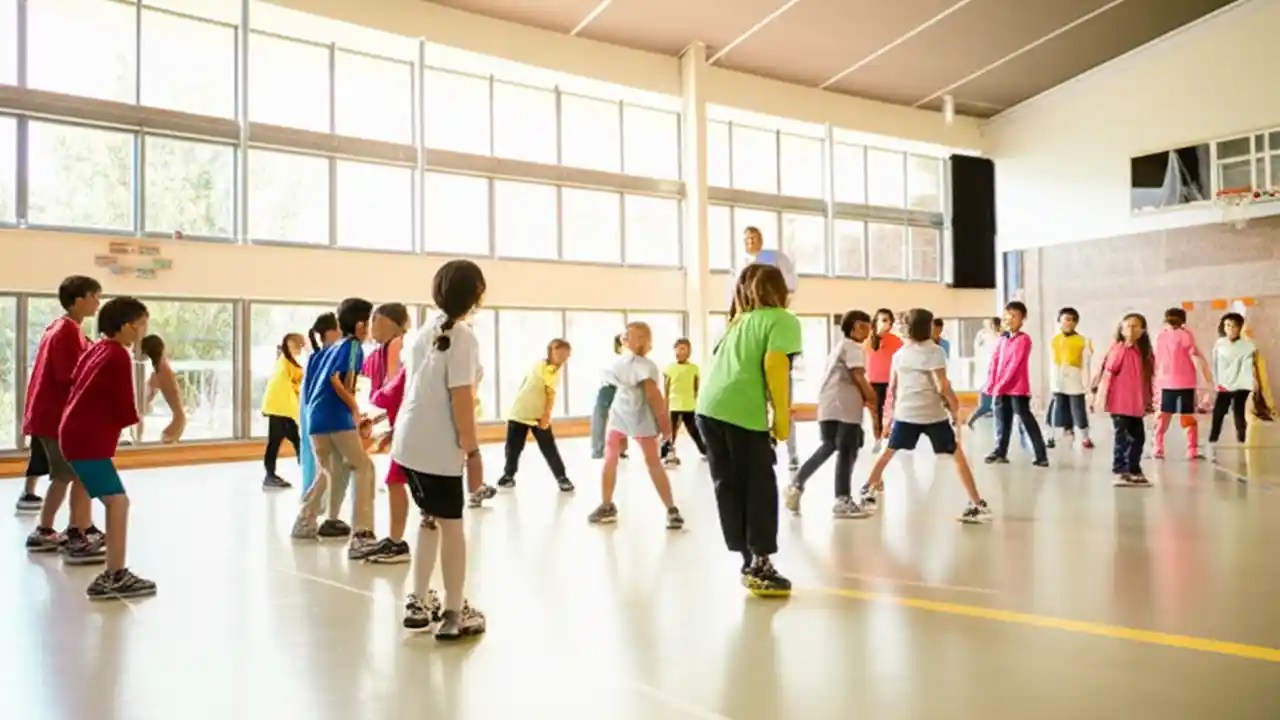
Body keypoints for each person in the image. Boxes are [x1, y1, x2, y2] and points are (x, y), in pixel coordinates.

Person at [393, 260, 488, 640]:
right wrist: (473, 450)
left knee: (428, 518)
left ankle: (418, 600)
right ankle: (453, 611)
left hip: (409, 441)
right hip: (436, 446)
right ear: (476, 295)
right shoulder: (462, 336)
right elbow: (460, 398)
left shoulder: (426, 330)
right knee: (452, 527)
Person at [697, 264, 800, 597]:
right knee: (758, 485)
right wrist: (780, 418)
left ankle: (747, 558)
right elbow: (775, 365)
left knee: (728, 483)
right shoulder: (782, 319)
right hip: (741, 411)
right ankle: (762, 564)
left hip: (708, 409)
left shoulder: (737, 322)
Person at [59, 297, 156, 599]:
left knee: (108, 497)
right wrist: (139, 415)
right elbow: (124, 406)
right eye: (141, 325)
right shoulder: (117, 356)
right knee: (118, 502)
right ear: (126, 326)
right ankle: (115, 575)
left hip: (76, 436)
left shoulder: (98, 348)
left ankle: (102, 558)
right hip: (87, 440)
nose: (143, 332)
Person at [860, 309, 992, 523]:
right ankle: (978, 504)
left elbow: (892, 390)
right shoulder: (936, 351)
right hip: (933, 415)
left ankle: (867, 491)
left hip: (906, 413)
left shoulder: (899, 355)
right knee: (957, 456)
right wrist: (954, 403)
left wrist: (888, 418)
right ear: (927, 328)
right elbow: (942, 384)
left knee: (887, 452)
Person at [23, 275, 104, 564]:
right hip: (56, 417)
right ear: (79, 299)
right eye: (95, 296)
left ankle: (51, 529)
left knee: (65, 474)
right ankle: (75, 532)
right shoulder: (67, 332)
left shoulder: (63, 329)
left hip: (51, 416)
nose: (98, 302)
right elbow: (70, 377)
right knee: (78, 474)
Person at [292, 298, 380, 562]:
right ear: (361, 324)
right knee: (364, 467)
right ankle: (362, 535)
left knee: (332, 469)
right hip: (334, 416)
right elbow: (337, 381)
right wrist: (354, 410)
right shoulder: (353, 346)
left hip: (316, 419)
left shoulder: (332, 348)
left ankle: (305, 521)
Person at [588, 322, 684, 529]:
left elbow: (654, 397)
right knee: (610, 457)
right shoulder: (621, 362)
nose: (624, 337)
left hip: (641, 418)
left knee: (652, 462)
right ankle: (606, 505)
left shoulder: (644, 366)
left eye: (629, 335)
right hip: (620, 416)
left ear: (639, 341)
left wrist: (665, 426)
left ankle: (671, 509)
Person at [784, 310, 876, 518]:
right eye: (863, 325)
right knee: (847, 450)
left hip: (828, 406)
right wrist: (872, 398)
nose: (868, 329)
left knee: (828, 446)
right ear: (852, 327)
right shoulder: (853, 347)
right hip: (845, 407)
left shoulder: (838, 347)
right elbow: (859, 376)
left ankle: (796, 484)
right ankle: (842, 499)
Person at [364, 303, 414, 564]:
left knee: (397, 479)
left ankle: (397, 542)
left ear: (393, 323)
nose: (373, 326)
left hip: (405, 422)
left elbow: (393, 387)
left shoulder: (396, 345)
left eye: (377, 321)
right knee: (398, 479)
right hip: (397, 421)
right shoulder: (380, 349)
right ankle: (396, 539)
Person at [497, 339, 573, 492]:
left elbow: (550, 394)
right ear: (552, 349)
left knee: (549, 448)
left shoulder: (555, 370)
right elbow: (548, 393)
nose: (564, 357)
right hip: (520, 412)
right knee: (513, 448)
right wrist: (546, 415)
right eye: (562, 352)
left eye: (567, 354)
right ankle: (508, 476)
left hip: (538, 415)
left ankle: (561, 477)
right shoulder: (542, 366)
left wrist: (545, 416)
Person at [1091, 313, 1155, 486]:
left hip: (1137, 403)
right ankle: (1120, 470)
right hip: (1120, 403)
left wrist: (1150, 399)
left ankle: (1134, 469)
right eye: (1127, 326)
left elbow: (1149, 376)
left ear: (1142, 330)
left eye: (1135, 326)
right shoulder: (1118, 348)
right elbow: (1109, 371)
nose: (1131, 330)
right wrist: (1099, 398)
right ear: (1121, 329)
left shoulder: (1144, 351)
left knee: (1138, 438)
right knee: (1123, 438)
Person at [984, 301, 1049, 467]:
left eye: (1014, 316)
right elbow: (994, 362)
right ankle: (1000, 451)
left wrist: (1001, 385)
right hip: (1000, 388)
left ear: (1022, 319)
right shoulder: (1002, 339)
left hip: (1016, 389)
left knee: (1025, 420)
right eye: (1007, 316)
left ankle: (1040, 455)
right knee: (1001, 421)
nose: (1010, 319)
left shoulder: (1023, 340)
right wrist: (991, 383)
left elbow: (1014, 364)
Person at [1152, 307, 1212, 460]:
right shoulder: (1185, 335)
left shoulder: (1161, 336)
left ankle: (1158, 446)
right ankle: (1190, 448)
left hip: (1170, 382)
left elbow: (1156, 360)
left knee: (1166, 416)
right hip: (1182, 382)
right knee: (1184, 416)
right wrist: (1207, 377)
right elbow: (1196, 355)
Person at [299, 313, 340, 495]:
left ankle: (313, 496)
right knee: (321, 460)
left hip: (312, 411)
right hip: (319, 413)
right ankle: (314, 499)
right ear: (330, 332)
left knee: (316, 457)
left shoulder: (318, 356)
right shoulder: (325, 357)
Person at [260, 333, 305, 489]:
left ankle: (271, 475)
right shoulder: (285, 362)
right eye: (299, 345)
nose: (301, 348)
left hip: (278, 408)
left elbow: (296, 380)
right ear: (290, 344)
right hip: (280, 409)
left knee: (281, 441)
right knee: (293, 441)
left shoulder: (286, 362)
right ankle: (307, 472)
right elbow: (289, 384)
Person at [1047, 307, 1094, 450]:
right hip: (1058, 381)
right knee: (1057, 410)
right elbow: (1052, 362)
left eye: (1072, 320)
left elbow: (1086, 364)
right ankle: (1052, 436)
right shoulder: (1055, 340)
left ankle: (1085, 437)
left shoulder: (1083, 341)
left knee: (1078, 410)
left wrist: (1086, 384)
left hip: (1075, 381)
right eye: (1066, 319)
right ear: (1059, 321)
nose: (1069, 323)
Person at [1210, 312, 1257, 446]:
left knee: (1238, 412)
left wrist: (1248, 383)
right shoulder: (1219, 344)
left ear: (1240, 328)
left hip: (1241, 384)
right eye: (1227, 325)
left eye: (1234, 326)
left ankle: (1242, 440)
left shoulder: (1247, 346)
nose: (1230, 328)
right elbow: (1216, 364)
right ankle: (1213, 439)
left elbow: (1248, 368)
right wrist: (1217, 382)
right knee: (1218, 412)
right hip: (1224, 384)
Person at [661, 337, 706, 466]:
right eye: (679, 349)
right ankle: (665, 454)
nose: (681, 352)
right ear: (674, 351)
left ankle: (705, 451)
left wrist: (697, 401)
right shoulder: (669, 368)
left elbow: (696, 387)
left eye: (684, 349)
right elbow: (666, 388)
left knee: (694, 430)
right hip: (673, 405)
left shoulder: (694, 368)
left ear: (689, 351)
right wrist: (665, 405)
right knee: (671, 433)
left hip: (689, 405)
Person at [864, 308, 902, 453]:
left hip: (892, 382)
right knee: (876, 414)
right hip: (873, 383)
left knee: (893, 411)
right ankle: (877, 440)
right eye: (884, 320)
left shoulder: (896, 341)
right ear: (876, 322)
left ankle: (891, 435)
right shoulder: (867, 341)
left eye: (889, 320)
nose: (888, 323)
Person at [140, 335, 186, 444]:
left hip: (177, 420)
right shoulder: (164, 368)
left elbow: (146, 401)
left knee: (166, 445)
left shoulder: (159, 372)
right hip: (179, 419)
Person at [590, 333, 627, 460]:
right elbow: (607, 372)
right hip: (608, 388)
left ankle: (621, 450)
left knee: (622, 419)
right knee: (599, 416)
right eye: (623, 339)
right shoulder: (612, 356)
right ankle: (597, 450)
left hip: (624, 390)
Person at [967, 317, 1002, 428]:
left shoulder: (999, 339)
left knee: (996, 405)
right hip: (989, 377)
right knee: (986, 404)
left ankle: (972, 420)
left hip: (995, 378)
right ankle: (971, 421)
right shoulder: (988, 338)